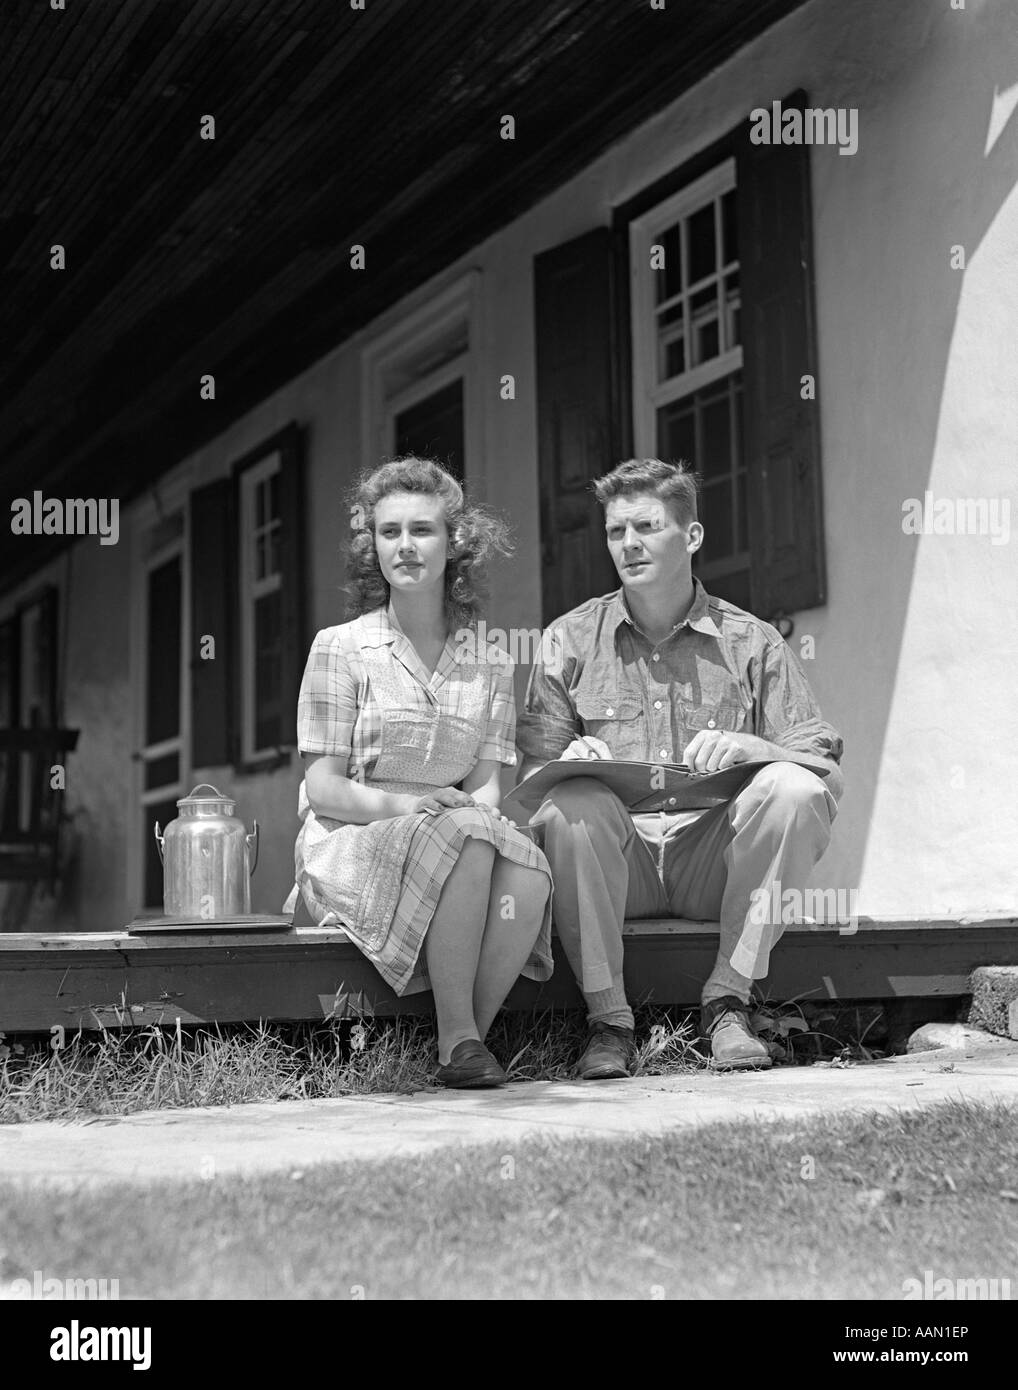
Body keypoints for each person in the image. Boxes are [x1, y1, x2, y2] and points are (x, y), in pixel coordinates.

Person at [516, 458, 844, 1080]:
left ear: (690, 536)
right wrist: (566, 763)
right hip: (619, 863)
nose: (629, 543)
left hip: (712, 864)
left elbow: (822, 761)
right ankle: (608, 1021)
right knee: (569, 800)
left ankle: (728, 1003)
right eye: (616, 531)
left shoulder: (752, 642)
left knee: (793, 788)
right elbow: (528, 777)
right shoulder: (569, 639)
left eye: (646, 525)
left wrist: (759, 749)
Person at [289, 457, 553, 1088]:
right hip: (353, 836)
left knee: (529, 868)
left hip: (453, 827)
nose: (404, 546)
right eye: (388, 532)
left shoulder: (488, 660)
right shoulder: (341, 647)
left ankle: (466, 1042)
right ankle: (458, 1040)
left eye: (422, 530)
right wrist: (412, 808)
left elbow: (487, 783)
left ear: (454, 542)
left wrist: (467, 812)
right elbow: (322, 788)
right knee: (466, 840)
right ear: (371, 544)